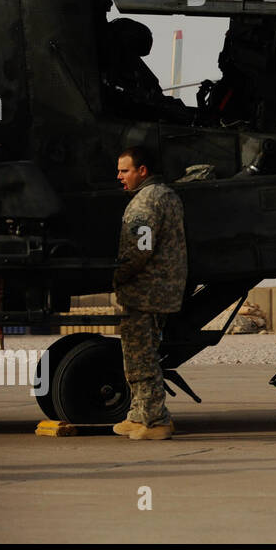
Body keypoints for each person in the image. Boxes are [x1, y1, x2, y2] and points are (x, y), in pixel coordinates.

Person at [111, 146, 187, 440]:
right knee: (141, 353)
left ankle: (155, 421)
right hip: (159, 288)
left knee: (141, 357)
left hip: (145, 291)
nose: (119, 176)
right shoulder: (166, 195)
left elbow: (140, 249)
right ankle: (139, 414)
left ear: (142, 171)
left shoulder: (145, 201)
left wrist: (118, 275)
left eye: (125, 170)